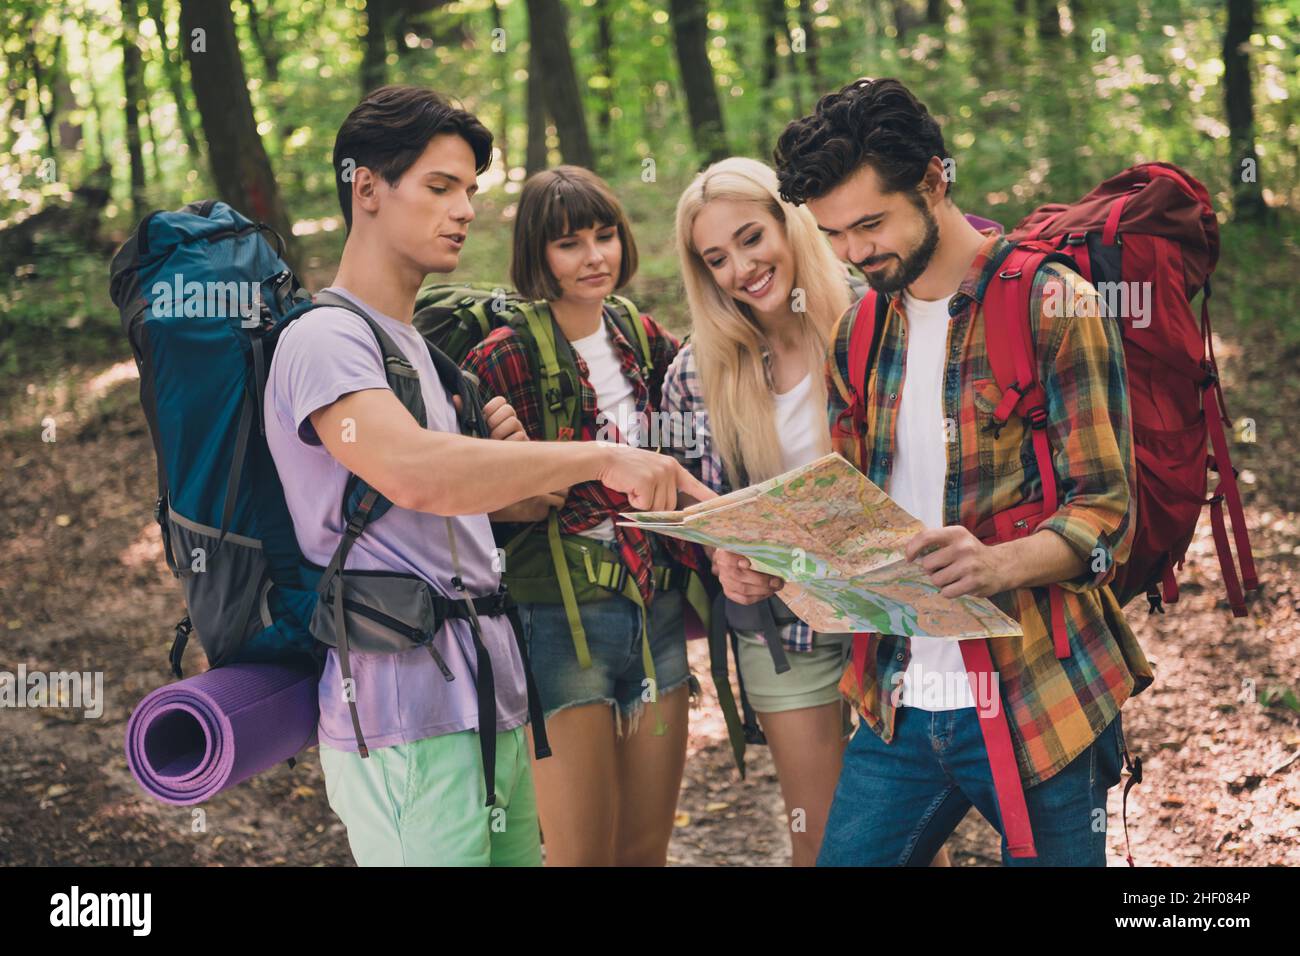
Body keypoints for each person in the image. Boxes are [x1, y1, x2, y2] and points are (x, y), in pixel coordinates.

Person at [263, 85, 711, 867]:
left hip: (490, 704)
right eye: (439, 187)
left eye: (469, 190)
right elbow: (415, 474)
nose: (464, 209)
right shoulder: (325, 340)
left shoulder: (420, 356)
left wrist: (515, 492)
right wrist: (603, 457)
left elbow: (444, 512)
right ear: (366, 187)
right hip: (404, 718)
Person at [768, 77, 1153, 866]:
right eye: (833, 234)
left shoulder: (1055, 305)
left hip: (1040, 694)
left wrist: (997, 562)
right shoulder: (861, 330)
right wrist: (776, 558)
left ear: (935, 180)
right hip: (899, 700)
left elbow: (1107, 512)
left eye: (871, 224)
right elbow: (857, 508)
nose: (853, 252)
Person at [665, 156, 952, 866]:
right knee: (824, 843)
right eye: (717, 258)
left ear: (789, 223)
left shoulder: (882, 320)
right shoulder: (697, 374)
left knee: (910, 840)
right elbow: (709, 517)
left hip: (893, 611)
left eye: (751, 237)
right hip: (784, 630)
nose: (742, 267)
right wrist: (728, 562)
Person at [462, 166, 697, 866]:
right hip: (560, 621)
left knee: (645, 847)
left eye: (605, 236)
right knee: (578, 854)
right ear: (538, 254)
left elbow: (689, 444)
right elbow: (473, 501)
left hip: (653, 605)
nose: (595, 256)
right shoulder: (502, 357)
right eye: (569, 243)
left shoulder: (637, 331)